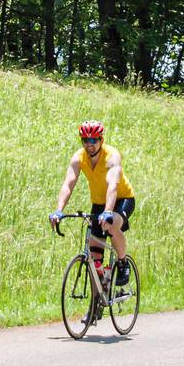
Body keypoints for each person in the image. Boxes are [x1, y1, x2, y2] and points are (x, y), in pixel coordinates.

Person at [50, 120, 135, 314]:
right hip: (98, 202)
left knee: (112, 225)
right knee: (94, 259)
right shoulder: (79, 157)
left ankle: (122, 263)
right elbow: (68, 183)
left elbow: (112, 185)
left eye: (93, 140)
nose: (89, 143)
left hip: (122, 199)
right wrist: (58, 210)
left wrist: (108, 211)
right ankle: (97, 300)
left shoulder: (112, 156)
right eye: (85, 140)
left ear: (101, 139)